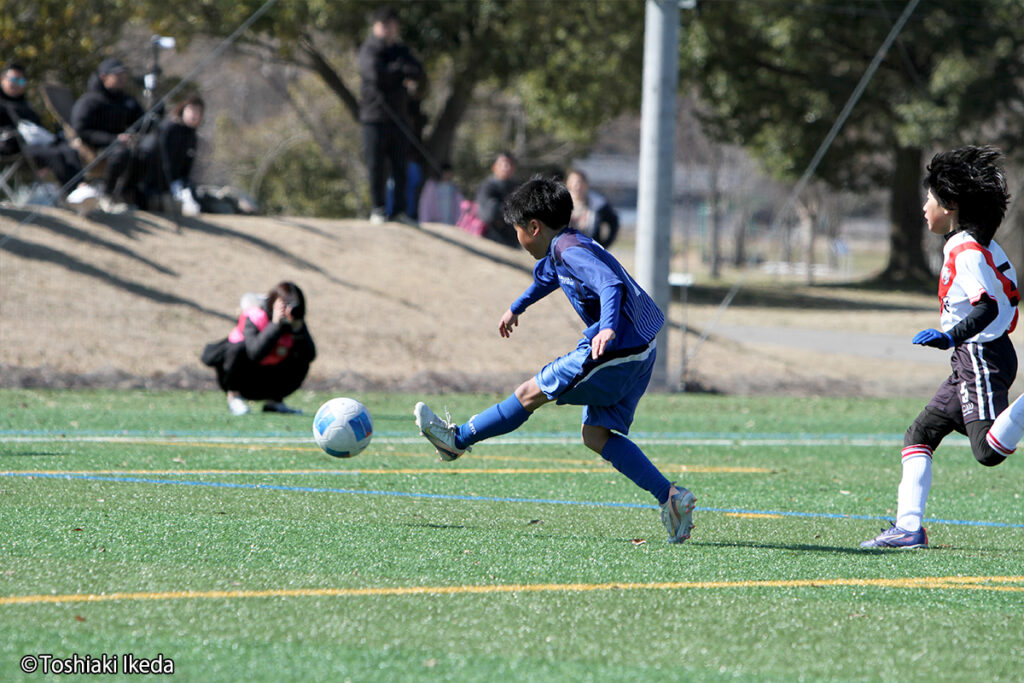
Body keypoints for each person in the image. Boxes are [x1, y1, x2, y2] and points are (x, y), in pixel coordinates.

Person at [414, 177, 696, 543]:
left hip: (617, 346)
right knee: (595, 435)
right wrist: (517, 307)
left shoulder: (570, 250)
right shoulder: (566, 244)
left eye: (517, 230)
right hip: (642, 348)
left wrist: (607, 329)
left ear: (534, 227)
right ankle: (671, 497)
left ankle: (457, 440)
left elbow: (610, 283)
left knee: (530, 392)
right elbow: (548, 279)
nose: (518, 239)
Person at [861, 146, 1019, 549]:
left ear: (950, 205)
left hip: (980, 357)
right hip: (975, 357)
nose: (924, 207)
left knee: (986, 452)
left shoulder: (965, 250)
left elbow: (988, 305)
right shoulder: (970, 243)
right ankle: (908, 529)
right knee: (921, 433)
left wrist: (951, 336)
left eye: (930, 199)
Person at [201, 282, 317, 416]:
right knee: (236, 348)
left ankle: (275, 402)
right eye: (285, 305)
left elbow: (310, 356)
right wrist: (275, 325)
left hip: (269, 380)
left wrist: (298, 329)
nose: (289, 310)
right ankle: (234, 397)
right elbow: (254, 353)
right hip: (244, 378)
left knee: (302, 360)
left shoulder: (294, 323)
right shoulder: (255, 315)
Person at [357, 5, 424, 226]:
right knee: (376, 166)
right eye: (384, 24)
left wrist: (395, 71)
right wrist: (400, 72)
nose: (388, 28)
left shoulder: (400, 49)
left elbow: (417, 71)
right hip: (374, 117)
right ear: (375, 25)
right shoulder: (369, 49)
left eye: (392, 24)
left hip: (400, 117)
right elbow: (375, 76)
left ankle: (400, 211)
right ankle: (378, 208)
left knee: (400, 166)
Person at [0, 62, 97, 213]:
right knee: (55, 155)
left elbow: (38, 128)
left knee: (68, 150)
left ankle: (80, 189)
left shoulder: (25, 105)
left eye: (21, 81)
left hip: (35, 146)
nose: (16, 85)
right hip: (13, 148)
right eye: (13, 80)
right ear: (2, 80)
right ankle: (72, 193)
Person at [70, 57, 147, 213]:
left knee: (144, 153)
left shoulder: (125, 100)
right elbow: (81, 130)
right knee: (120, 152)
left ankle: (128, 195)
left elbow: (144, 121)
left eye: (124, 76)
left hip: (119, 146)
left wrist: (153, 94)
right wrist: (113, 139)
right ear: (104, 77)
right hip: (94, 148)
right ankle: (107, 194)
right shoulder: (89, 101)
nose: (122, 80)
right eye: (118, 76)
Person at [154, 94, 204, 216]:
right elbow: (162, 159)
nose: (194, 115)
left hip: (178, 182)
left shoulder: (192, 136)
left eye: (198, 111)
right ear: (183, 110)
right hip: (158, 180)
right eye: (192, 109)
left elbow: (187, 166)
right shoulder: (170, 128)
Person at [566, 168, 620, 248]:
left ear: (586, 184)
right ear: (568, 184)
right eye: (573, 182)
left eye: (580, 182)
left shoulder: (598, 204)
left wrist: (604, 245)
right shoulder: (561, 203)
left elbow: (614, 222)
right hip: (566, 251)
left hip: (590, 252)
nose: (577, 186)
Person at [475, 151, 519, 247]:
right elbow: (489, 213)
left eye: (510, 164)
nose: (506, 167)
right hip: (490, 239)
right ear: (494, 167)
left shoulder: (517, 187)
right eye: (503, 164)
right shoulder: (487, 187)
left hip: (512, 241)